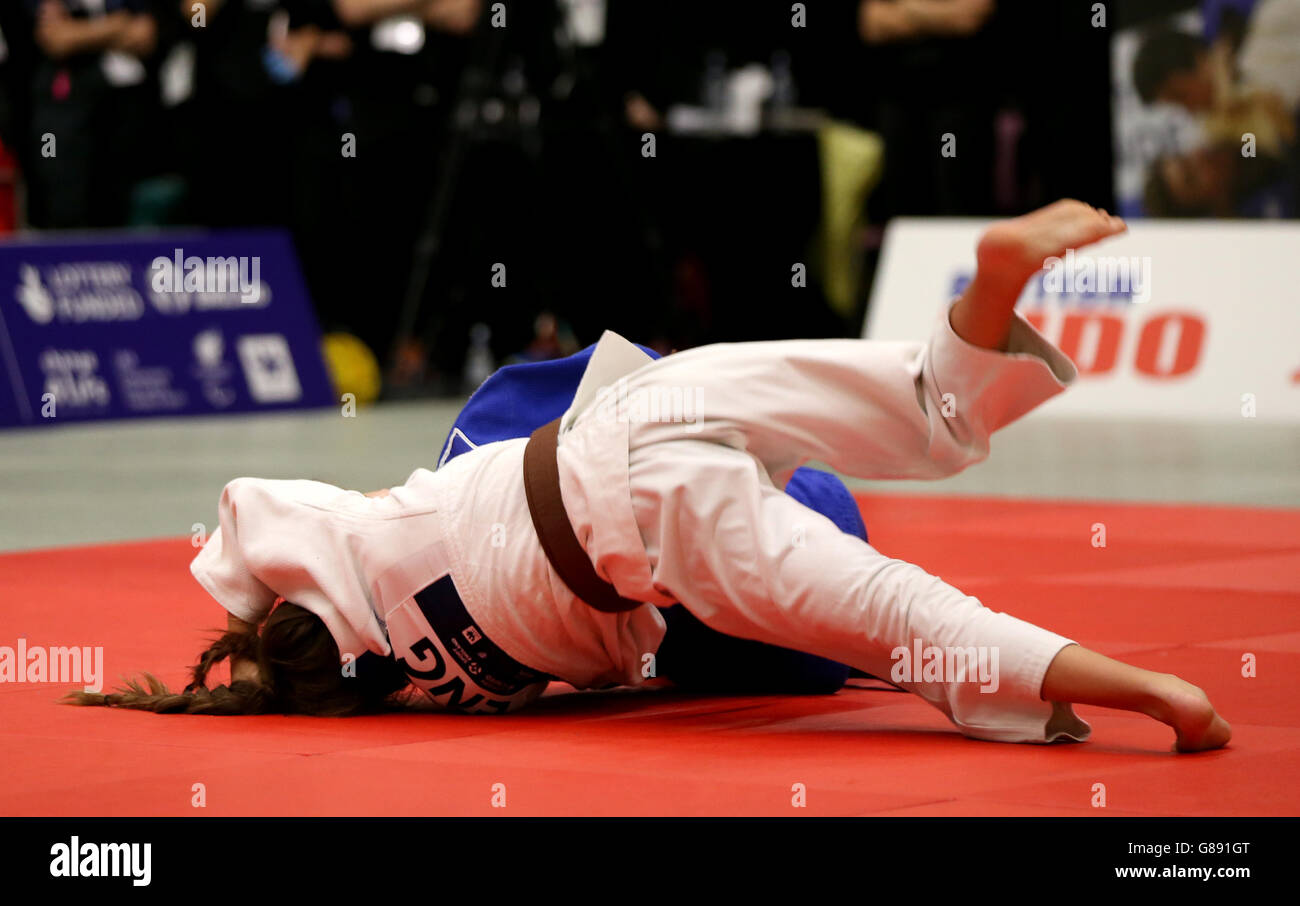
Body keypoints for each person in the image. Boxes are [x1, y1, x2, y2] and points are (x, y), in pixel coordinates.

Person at [66, 200, 1231, 754]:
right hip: (634, 406)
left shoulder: (419, 691)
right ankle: (984, 288)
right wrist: (233, 633)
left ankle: (1156, 695)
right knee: (923, 410)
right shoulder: (336, 541)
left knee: (905, 623)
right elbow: (236, 534)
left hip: (657, 530)